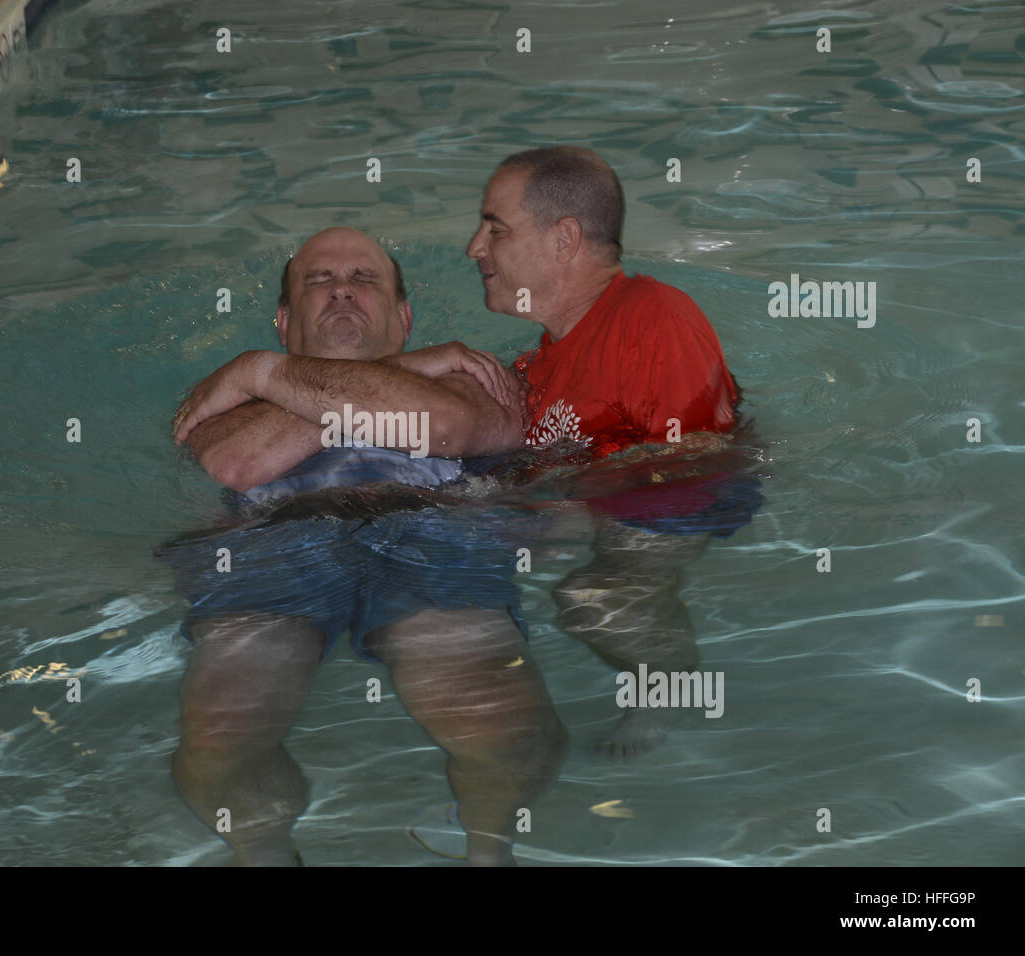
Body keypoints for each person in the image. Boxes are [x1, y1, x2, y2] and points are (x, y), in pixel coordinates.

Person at [177, 147, 763, 757]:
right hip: (594, 502)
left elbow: (695, 458)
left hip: (669, 503)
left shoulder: (649, 316)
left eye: (496, 229)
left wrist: (575, 510)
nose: (474, 248)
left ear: (564, 240)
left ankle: (672, 689)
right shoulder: (537, 365)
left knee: (594, 601)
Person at [163, 226, 567, 866]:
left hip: (429, 534)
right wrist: (383, 376)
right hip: (277, 546)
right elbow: (237, 462)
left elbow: (453, 423)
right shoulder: (223, 407)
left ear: (403, 318)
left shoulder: (469, 380)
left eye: (365, 279)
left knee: (504, 728)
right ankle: (263, 853)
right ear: (284, 320)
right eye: (319, 281)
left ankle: (490, 854)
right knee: (218, 739)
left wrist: (266, 379)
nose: (343, 292)